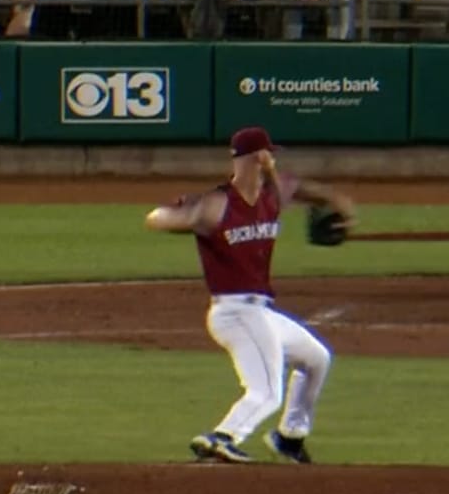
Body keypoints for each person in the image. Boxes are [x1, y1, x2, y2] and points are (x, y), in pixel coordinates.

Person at [143, 126, 356, 464]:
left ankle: (290, 437)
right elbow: (156, 218)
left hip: (261, 312)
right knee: (267, 392)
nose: (272, 158)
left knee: (316, 359)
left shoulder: (272, 194)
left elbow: (313, 192)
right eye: (269, 152)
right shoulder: (217, 204)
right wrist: (182, 216)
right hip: (234, 313)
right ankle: (223, 436)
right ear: (259, 155)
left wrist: (341, 207)